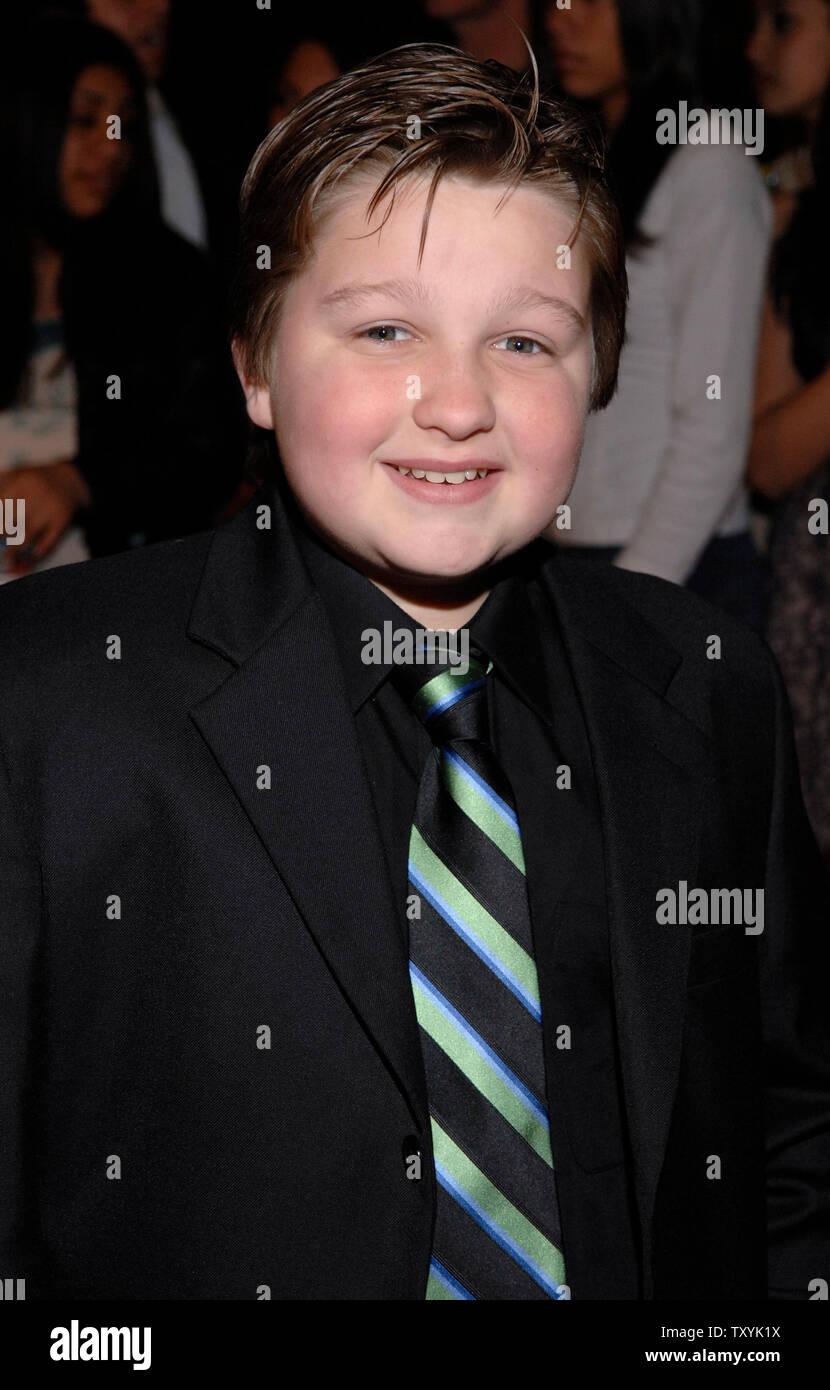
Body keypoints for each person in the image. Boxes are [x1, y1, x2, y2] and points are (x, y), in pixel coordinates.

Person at [0, 40, 828, 1302]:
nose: (455, 401)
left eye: (524, 343)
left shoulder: (704, 685)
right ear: (257, 363)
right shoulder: (54, 706)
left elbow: (787, 1127)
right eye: (385, 326)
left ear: (598, 368)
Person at [543, 0, 772, 631]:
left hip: (675, 566)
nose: (561, 20)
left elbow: (714, 423)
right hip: (578, 562)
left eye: (589, 2)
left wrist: (634, 597)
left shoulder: (710, 166)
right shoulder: (589, 162)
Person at [0, 14, 245, 572]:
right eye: (84, 119)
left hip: (101, 590)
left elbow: (209, 449)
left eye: (125, 125)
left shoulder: (166, 277)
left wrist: (77, 482)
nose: (110, 148)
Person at [746, 0, 830, 866]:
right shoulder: (791, 206)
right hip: (807, 592)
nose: (755, 46)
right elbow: (766, 459)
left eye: (785, 21)